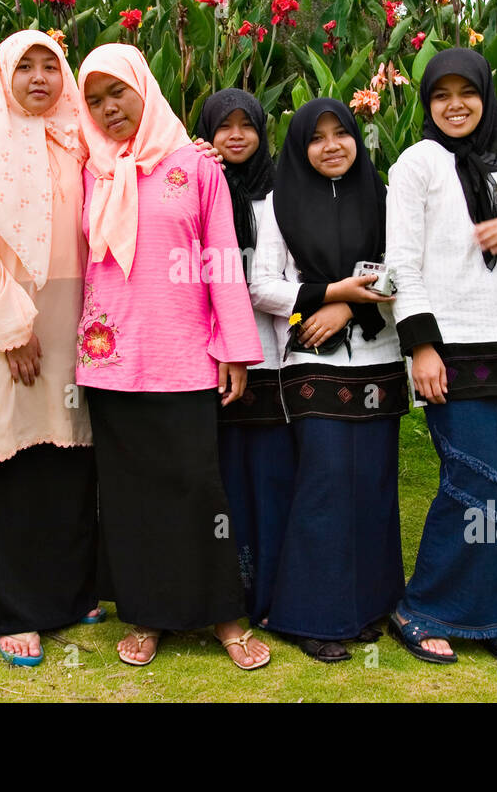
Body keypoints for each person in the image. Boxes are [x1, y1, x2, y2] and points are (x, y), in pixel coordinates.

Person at [75, 44, 271, 670]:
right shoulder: (89, 168)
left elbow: (221, 261)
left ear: (144, 88)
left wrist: (235, 348)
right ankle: (146, 613)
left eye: (118, 94)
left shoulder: (196, 166)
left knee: (196, 486)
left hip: (185, 354)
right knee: (129, 491)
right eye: (95, 99)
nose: (108, 110)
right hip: (109, 356)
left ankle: (224, 615)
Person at [0, 30, 104, 667]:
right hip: (3, 317)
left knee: (65, 451)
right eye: (25, 66)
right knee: (4, 454)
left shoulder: (78, 138)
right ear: (4, 73)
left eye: (51, 66)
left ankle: (68, 590)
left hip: (71, 319)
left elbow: (138, 169)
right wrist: (12, 326)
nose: (40, 78)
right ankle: (10, 607)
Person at [385, 47, 497, 666]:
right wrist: (421, 348)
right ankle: (423, 608)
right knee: (469, 485)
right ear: (428, 104)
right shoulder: (415, 165)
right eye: (441, 95)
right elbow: (400, 264)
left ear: (484, 96)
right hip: (447, 346)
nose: (455, 105)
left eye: (466, 93)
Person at [248, 97, 410, 663]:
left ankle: (367, 608)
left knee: (372, 484)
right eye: (316, 138)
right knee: (324, 483)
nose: (332, 145)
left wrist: (345, 305)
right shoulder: (275, 205)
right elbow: (261, 286)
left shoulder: (386, 198)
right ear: (299, 147)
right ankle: (310, 615)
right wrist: (330, 294)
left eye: (341, 133)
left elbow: (404, 268)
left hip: (380, 354)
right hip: (311, 361)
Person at [194, 89, 293, 627]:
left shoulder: (280, 194)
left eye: (246, 125)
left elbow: (280, 279)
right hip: (205, 360)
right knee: (223, 484)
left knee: (271, 482)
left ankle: (270, 597)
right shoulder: (194, 186)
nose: (235, 135)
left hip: (269, 362)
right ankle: (227, 594)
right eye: (223, 126)